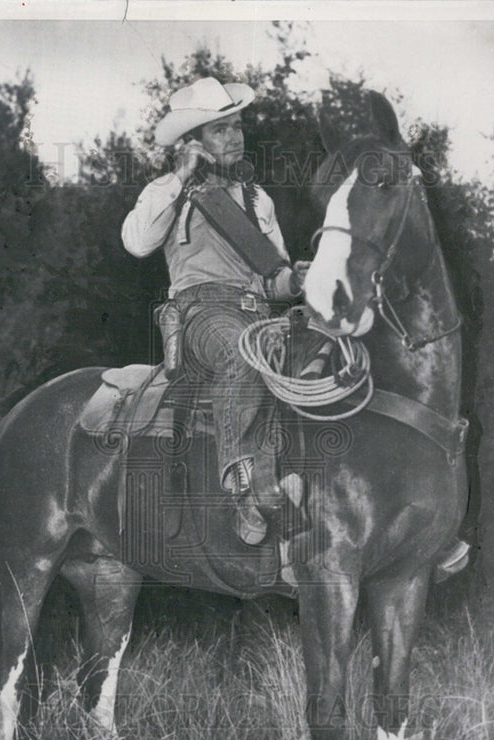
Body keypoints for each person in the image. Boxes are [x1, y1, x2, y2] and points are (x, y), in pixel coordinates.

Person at [122, 77, 309, 545]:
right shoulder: (168, 192)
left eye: (237, 127)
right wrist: (181, 176)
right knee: (241, 351)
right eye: (220, 130)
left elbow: (275, 279)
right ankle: (240, 481)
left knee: (327, 356)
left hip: (261, 314)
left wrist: (298, 279)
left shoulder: (257, 199)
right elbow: (136, 242)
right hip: (200, 316)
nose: (234, 137)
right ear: (194, 143)